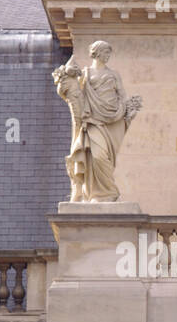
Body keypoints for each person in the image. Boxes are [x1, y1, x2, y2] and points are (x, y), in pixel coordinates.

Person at [52, 40, 139, 202]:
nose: (107, 56)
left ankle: (104, 194)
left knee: (105, 157)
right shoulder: (85, 73)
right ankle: (103, 193)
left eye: (109, 53)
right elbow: (69, 92)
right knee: (96, 157)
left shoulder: (114, 75)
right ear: (97, 53)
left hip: (113, 119)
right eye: (105, 52)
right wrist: (67, 74)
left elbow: (122, 96)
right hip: (92, 121)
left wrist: (128, 111)